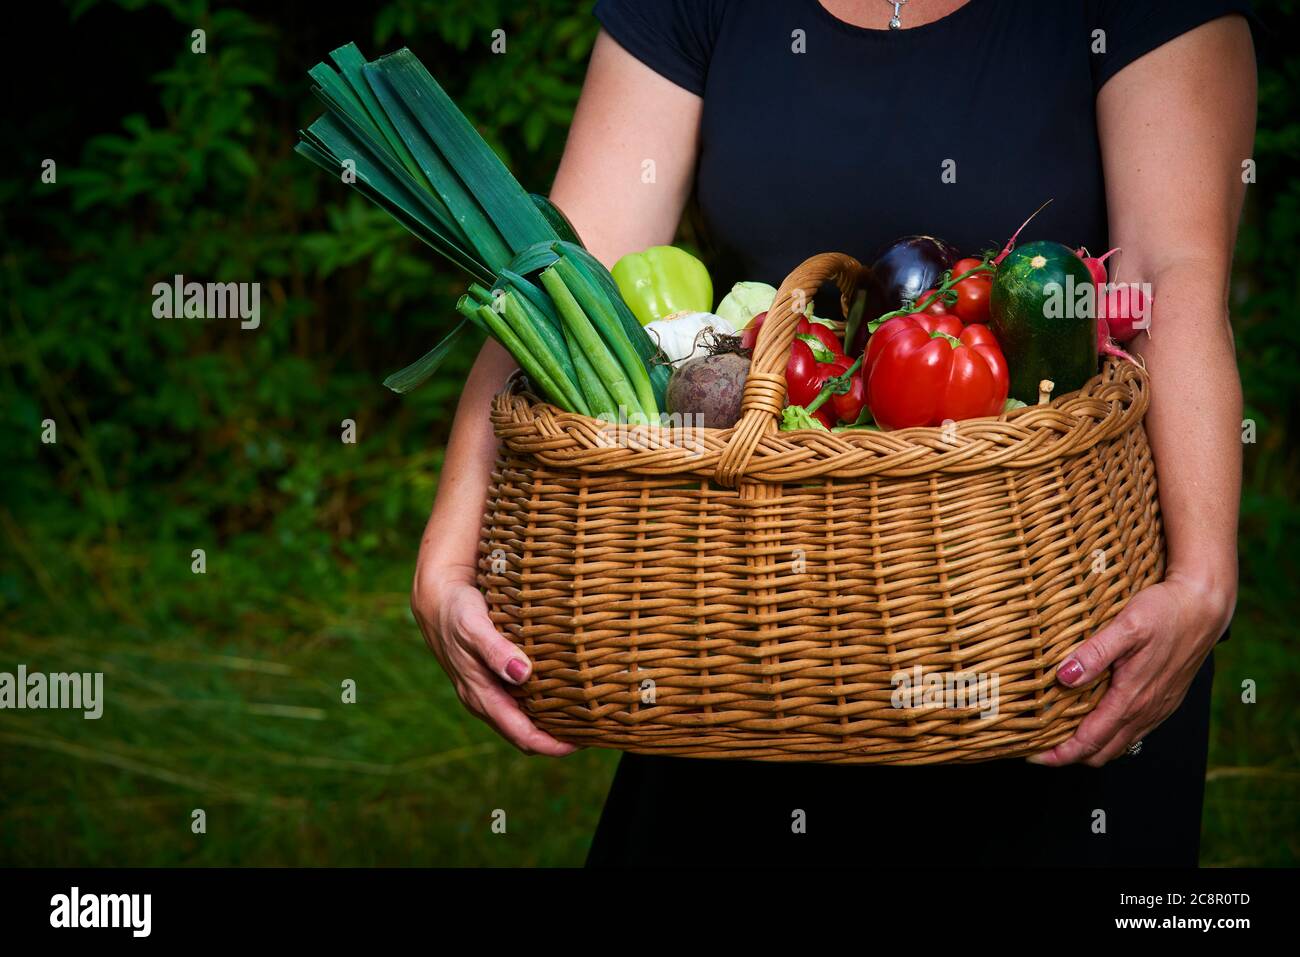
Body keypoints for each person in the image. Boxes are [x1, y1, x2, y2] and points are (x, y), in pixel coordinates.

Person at [412, 0, 1256, 866]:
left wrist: (1200, 578)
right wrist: (449, 550)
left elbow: (1170, 279)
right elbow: (561, 272)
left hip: (1044, 620)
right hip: (747, 633)